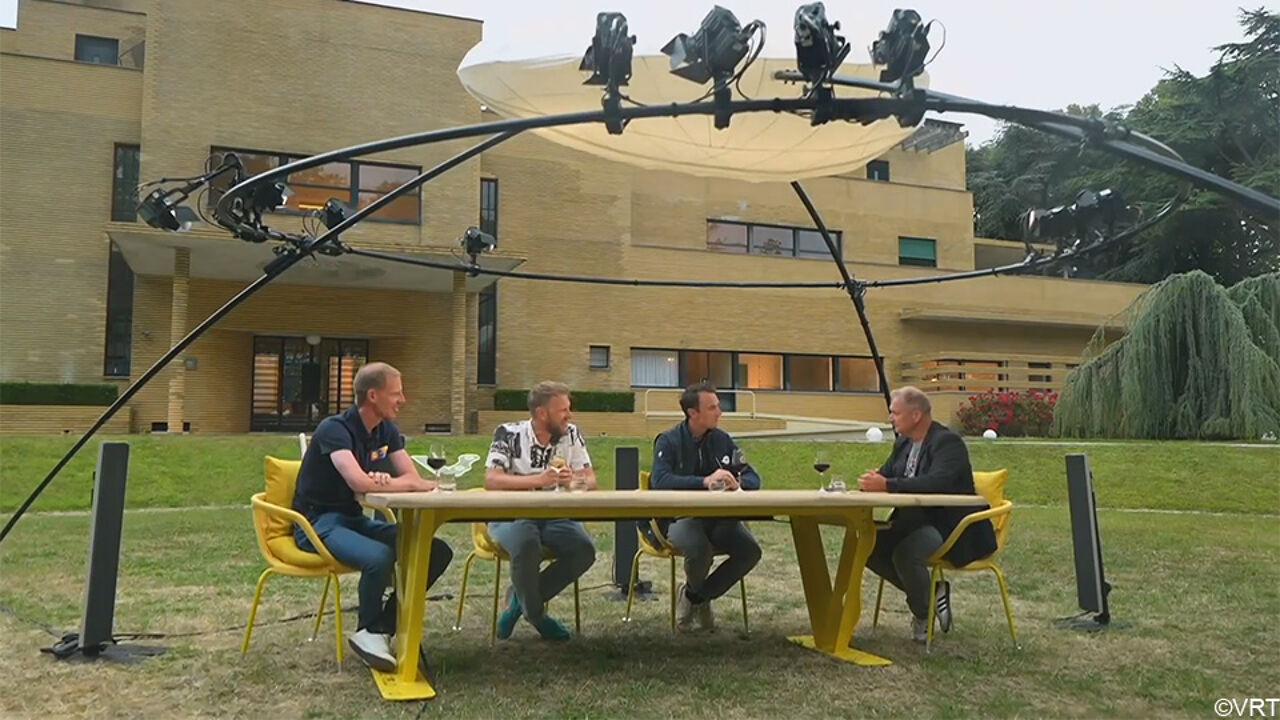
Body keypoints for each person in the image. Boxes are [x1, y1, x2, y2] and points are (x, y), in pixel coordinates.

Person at [292, 362, 453, 671]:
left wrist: (393, 481)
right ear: (373, 396)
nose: (402, 400)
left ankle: (380, 628)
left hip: (353, 519)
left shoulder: (386, 430)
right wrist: (394, 482)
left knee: (436, 551)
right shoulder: (334, 429)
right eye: (396, 393)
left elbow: (413, 478)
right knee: (379, 557)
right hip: (317, 523)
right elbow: (359, 482)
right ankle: (368, 630)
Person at [858, 386, 997, 643]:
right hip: (911, 520)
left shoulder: (947, 443)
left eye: (895, 413)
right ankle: (933, 595)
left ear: (916, 416)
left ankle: (923, 613)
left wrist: (888, 485)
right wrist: (873, 481)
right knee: (865, 547)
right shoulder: (903, 443)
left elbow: (938, 481)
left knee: (906, 554)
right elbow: (888, 474)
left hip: (948, 524)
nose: (890, 418)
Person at [484, 381, 597, 641]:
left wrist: (572, 481)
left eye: (569, 409)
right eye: (563, 410)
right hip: (510, 515)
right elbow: (492, 480)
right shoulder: (508, 433)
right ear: (542, 413)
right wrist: (538, 480)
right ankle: (536, 614)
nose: (569, 415)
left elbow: (590, 481)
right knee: (526, 543)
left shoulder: (571, 434)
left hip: (554, 514)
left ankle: (518, 601)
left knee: (584, 550)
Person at [650, 382, 762, 632]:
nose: (719, 412)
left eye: (719, 406)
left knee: (750, 551)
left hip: (721, 518)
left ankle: (695, 596)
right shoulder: (668, 441)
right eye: (712, 407)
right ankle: (699, 598)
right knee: (700, 551)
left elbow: (754, 477)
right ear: (693, 413)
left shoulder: (723, 440)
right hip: (681, 517)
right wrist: (705, 482)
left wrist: (737, 482)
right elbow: (660, 481)